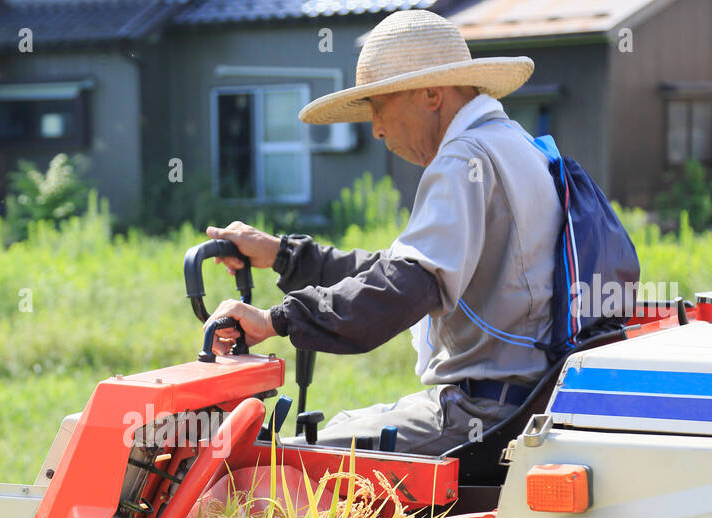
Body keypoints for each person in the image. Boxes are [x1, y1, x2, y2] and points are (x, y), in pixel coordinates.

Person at [205, 9, 562, 455]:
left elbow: (405, 288)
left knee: (281, 460)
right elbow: (397, 270)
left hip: (484, 414)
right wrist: (284, 255)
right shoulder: (514, 144)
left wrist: (276, 320)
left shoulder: (462, 159)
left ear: (432, 94)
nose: (375, 127)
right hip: (525, 400)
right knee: (340, 427)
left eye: (379, 105)